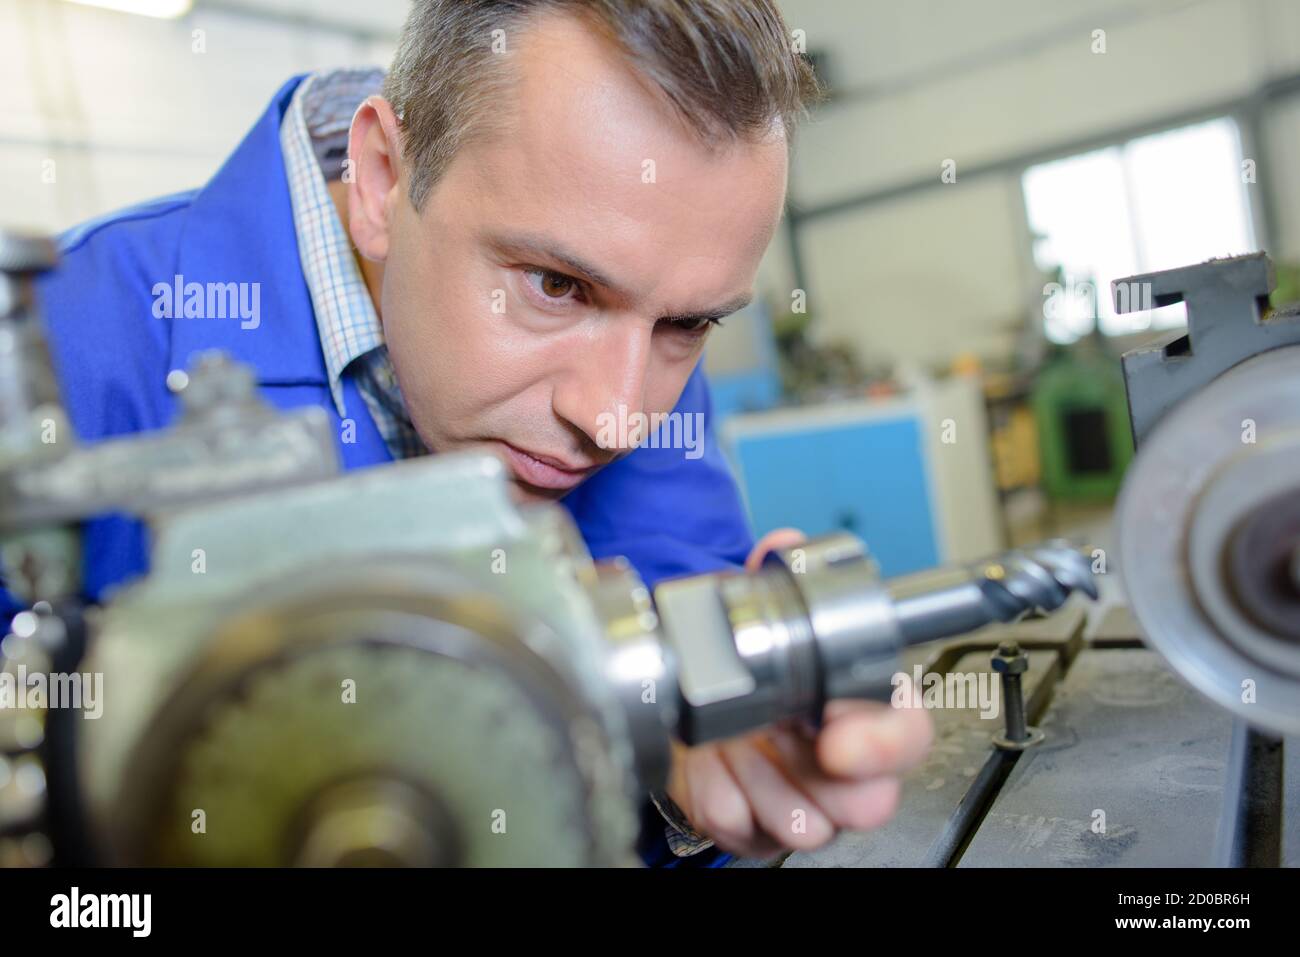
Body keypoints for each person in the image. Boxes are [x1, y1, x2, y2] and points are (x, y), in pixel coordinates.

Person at [30, 0, 932, 867]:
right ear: (383, 178)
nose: (616, 415)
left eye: (687, 327)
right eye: (556, 285)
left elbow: (674, 619)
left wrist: (684, 767)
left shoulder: (632, 329)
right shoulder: (66, 344)